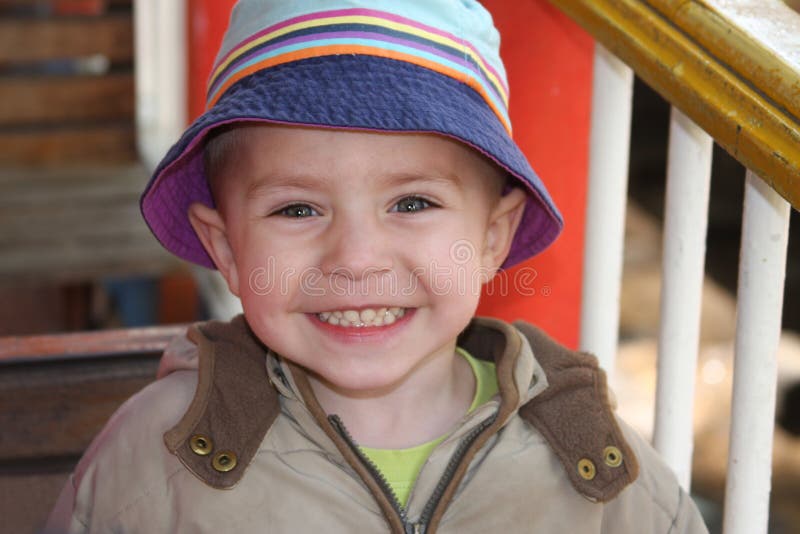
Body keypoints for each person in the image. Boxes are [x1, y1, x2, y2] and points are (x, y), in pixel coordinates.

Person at [44, 1, 708, 532]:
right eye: (297, 211)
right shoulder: (157, 462)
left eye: (412, 202)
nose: (357, 259)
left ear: (492, 235)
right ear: (225, 249)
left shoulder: (597, 469)